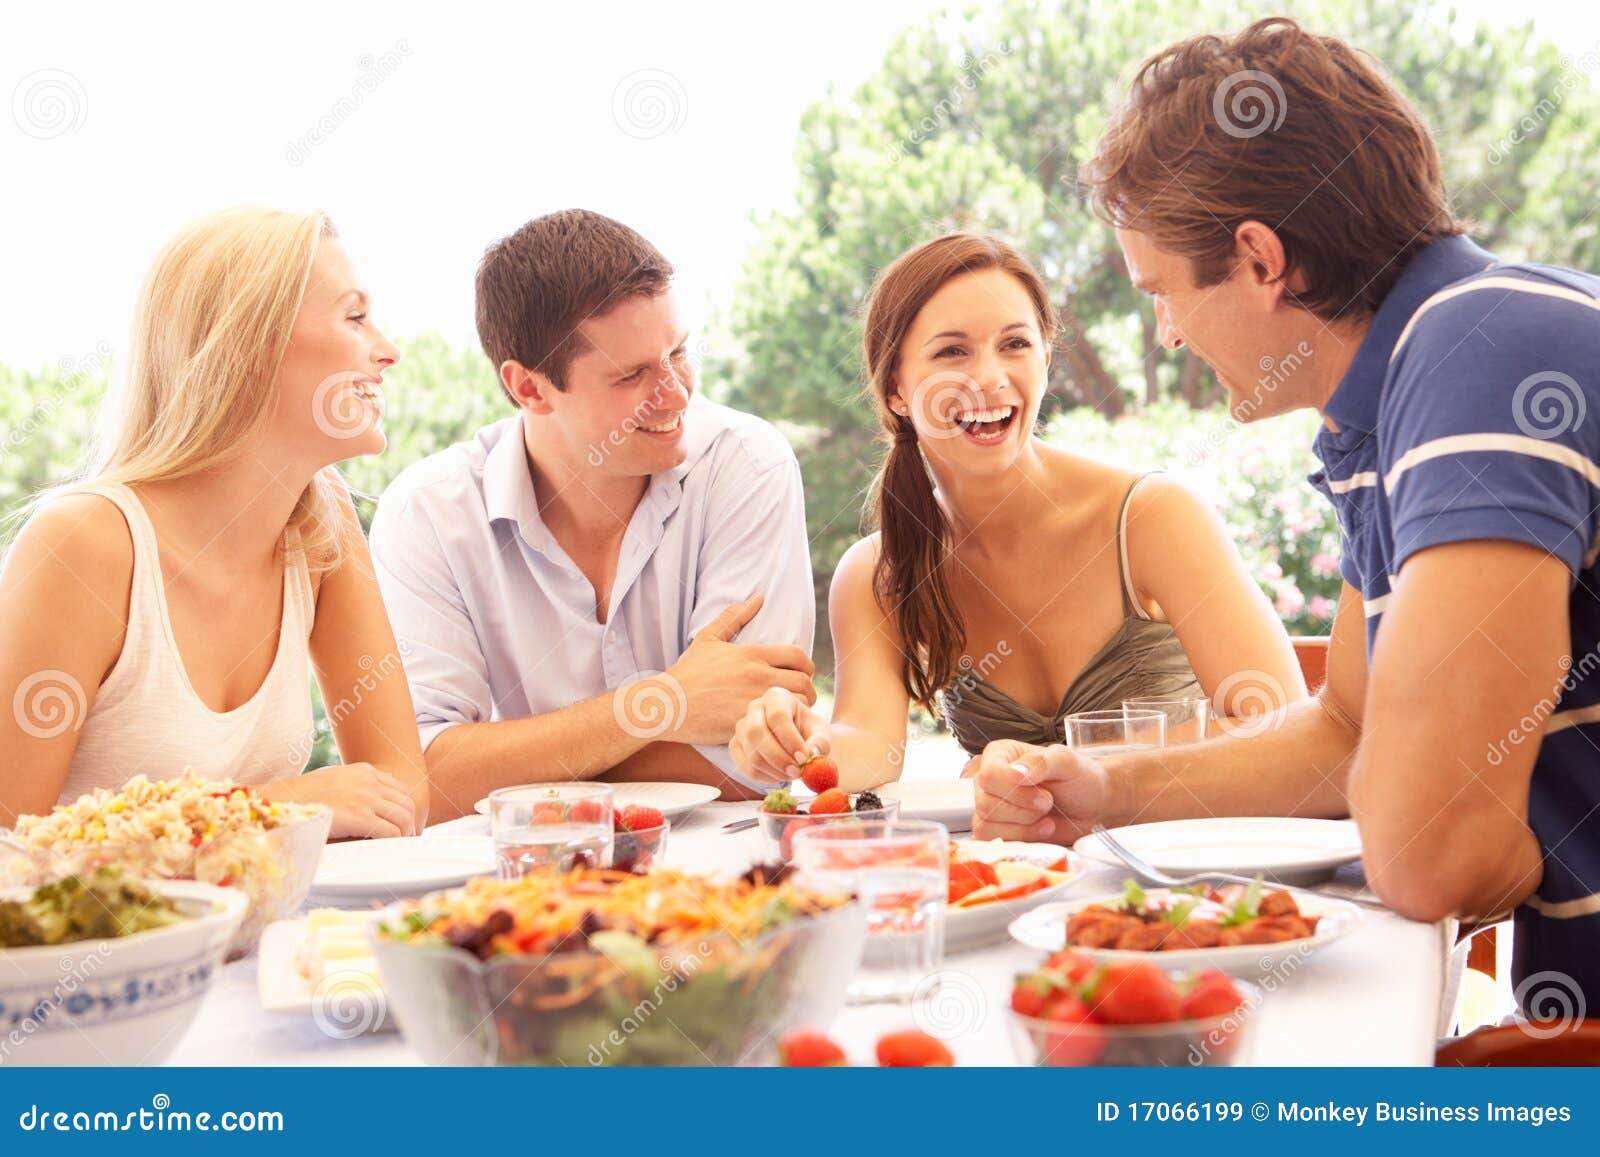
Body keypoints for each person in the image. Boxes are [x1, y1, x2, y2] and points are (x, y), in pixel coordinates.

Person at [972, 17, 1600, 1012]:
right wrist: (1104, 788)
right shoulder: (1392, 403)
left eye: (1162, 293)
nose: (1168, 332)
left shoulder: (1481, 355)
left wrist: (1498, 837)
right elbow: (1347, 729)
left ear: (1261, 258)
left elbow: (1431, 853)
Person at [729, 232, 1305, 790]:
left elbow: (1283, 727)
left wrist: (1062, 762)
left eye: (1015, 344)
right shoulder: (879, 573)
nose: (989, 378)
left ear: (1046, 362)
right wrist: (803, 744)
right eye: (952, 351)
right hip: (1024, 879)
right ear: (897, 391)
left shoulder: (1152, 518)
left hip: (1191, 867)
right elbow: (871, 751)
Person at [369, 209, 816, 820]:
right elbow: (424, 781)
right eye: (632, 375)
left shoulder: (746, 465)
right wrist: (669, 702)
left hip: (727, 875)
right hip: (524, 885)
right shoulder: (428, 515)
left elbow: (759, 761)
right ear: (529, 389)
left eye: (679, 353)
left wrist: (515, 761)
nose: (678, 393)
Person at [0, 207, 427, 837]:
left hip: (265, 936)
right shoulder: (83, 543)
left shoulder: (321, 524)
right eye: (355, 317)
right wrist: (275, 809)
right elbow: (10, 844)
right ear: (252, 345)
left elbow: (403, 791)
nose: (386, 352)